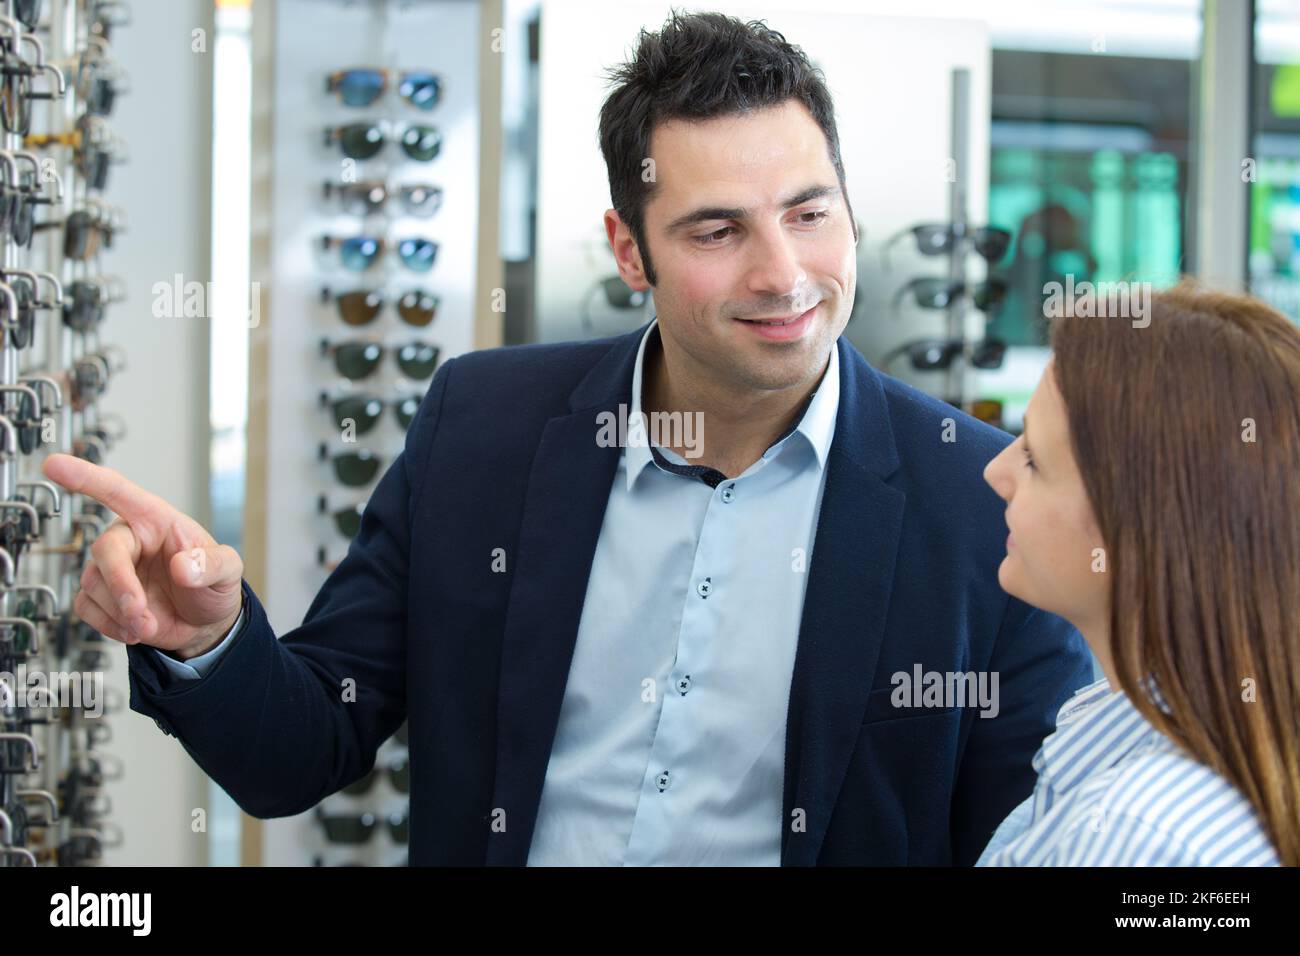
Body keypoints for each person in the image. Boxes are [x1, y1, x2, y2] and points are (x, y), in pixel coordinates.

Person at [41, 11, 1091, 866]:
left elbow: (1023, 835)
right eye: (717, 230)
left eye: (810, 212)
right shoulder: (482, 430)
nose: (783, 273)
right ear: (627, 250)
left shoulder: (981, 498)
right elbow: (301, 748)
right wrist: (206, 640)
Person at [977, 282, 1298, 866]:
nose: (997, 471)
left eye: (1034, 460)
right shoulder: (1118, 725)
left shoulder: (1136, 836)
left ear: (1139, 525)